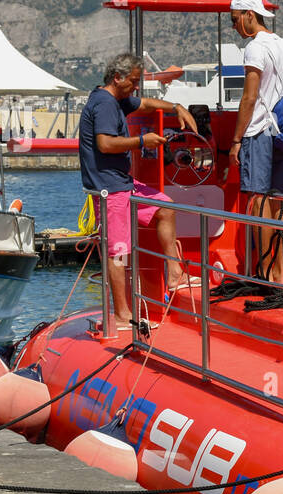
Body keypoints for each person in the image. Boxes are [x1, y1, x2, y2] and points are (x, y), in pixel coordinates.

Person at [78, 52, 198, 329]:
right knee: (118, 252)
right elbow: (106, 144)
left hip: (123, 183)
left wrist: (175, 107)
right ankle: (121, 315)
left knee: (165, 207)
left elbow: (144, 103)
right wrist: (141, 141)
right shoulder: (106, 104)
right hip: (110, 190)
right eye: (133, 81)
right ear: (117, 78)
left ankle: (174, 273)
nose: (136, 87)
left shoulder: (117, 99)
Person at [227, 0, 283, 282]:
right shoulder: (282, 45)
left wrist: (237, 140)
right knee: (278, 201)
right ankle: (282, 271)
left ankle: (267, 272)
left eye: (234, 19)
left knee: (258, 201)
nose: (233, 26)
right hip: (280, 130)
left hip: (258, 131)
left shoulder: (254, 49)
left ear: (248, 15)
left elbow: (249, 97)